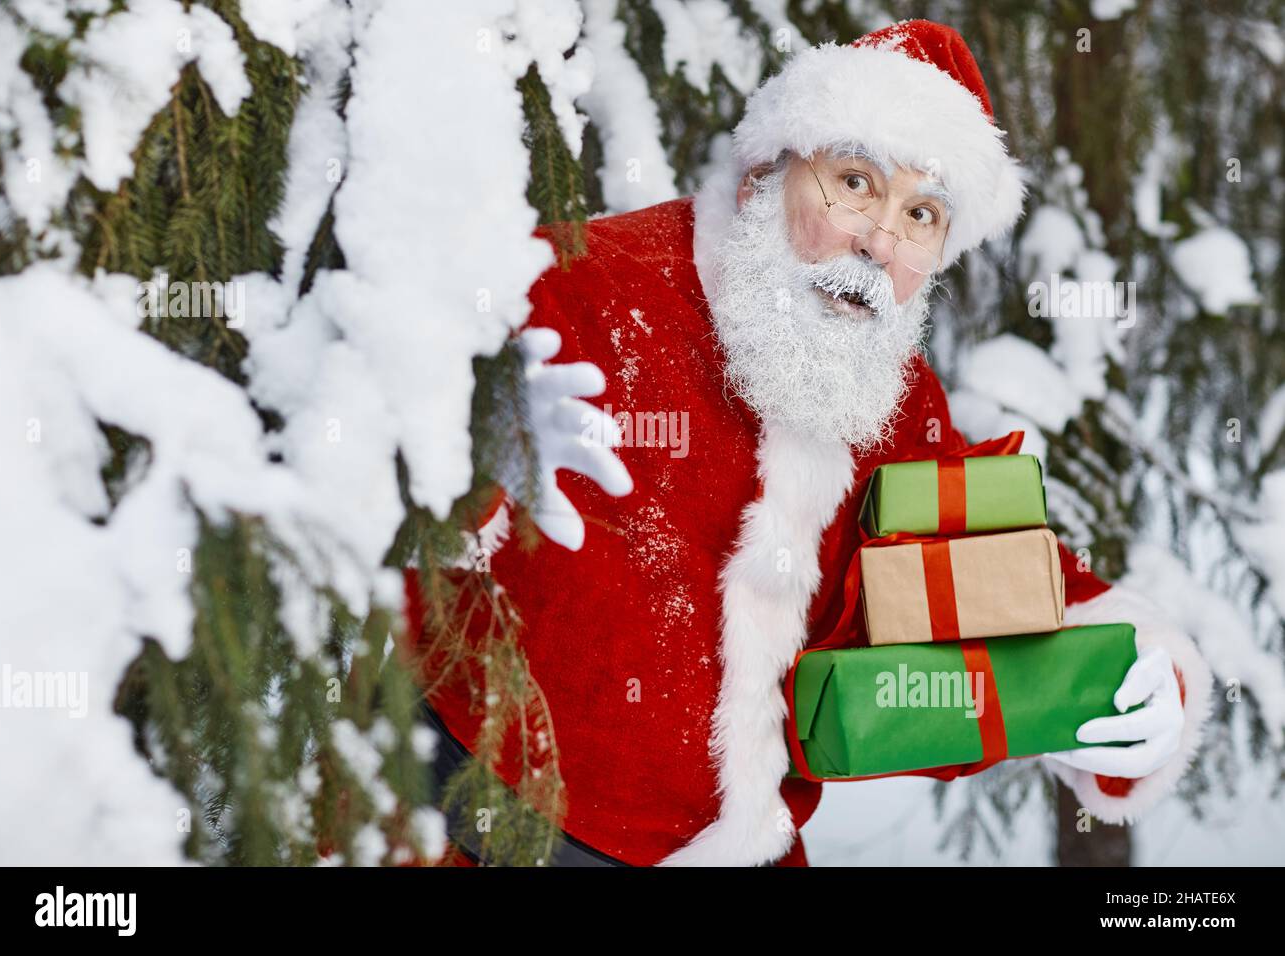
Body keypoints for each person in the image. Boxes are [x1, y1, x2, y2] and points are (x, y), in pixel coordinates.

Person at [405, 19, 1212, 867]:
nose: (880, 241)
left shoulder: (893, 402)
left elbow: (993, 583)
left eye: (921, 214)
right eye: (854, 182)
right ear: (767, 173)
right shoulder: (580, 287)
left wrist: (1132, 680)